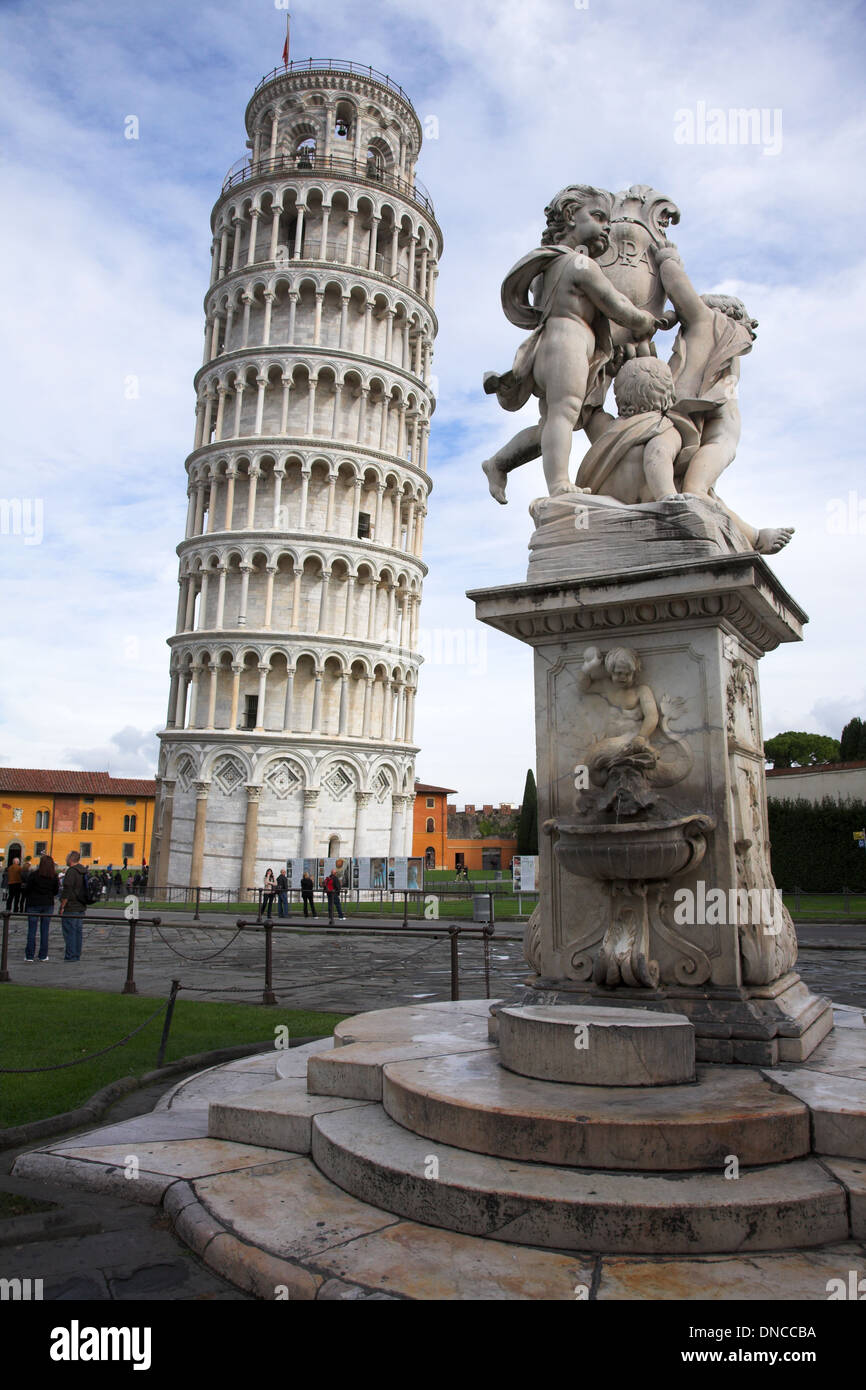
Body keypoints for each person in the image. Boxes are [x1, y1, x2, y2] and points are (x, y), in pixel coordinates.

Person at [24, 854, 60, 961]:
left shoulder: (34, 875)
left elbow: (27, 889)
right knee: (45, 931)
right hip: (47, 904)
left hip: (33, 904)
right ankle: (43, 955)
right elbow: (56, 891)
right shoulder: (54, 877)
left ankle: (29, 956)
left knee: (32, 930)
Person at [58, 851, 88, 961]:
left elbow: (67, 890)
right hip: (81, 905)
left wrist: (62, 906)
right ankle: (76, 954)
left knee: (69, 932)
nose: (65, 859)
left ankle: (70, 955)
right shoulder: (83, 870)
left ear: (71, 859)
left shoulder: (71, 871)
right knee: (77, 932)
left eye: (67, 857)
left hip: (71, 906)